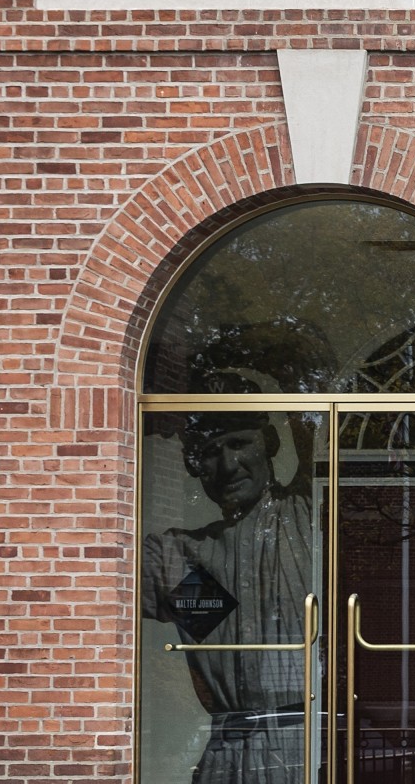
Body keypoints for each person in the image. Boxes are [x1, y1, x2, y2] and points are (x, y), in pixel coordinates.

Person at [143, 325, 327, 784]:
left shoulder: (307, 513)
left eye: (239, 443)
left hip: (301, 743)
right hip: (225, 750)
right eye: (209, 452)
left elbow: (318, 421)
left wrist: (283, 364)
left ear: (268, 444)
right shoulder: (180, 551)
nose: (226, 466)